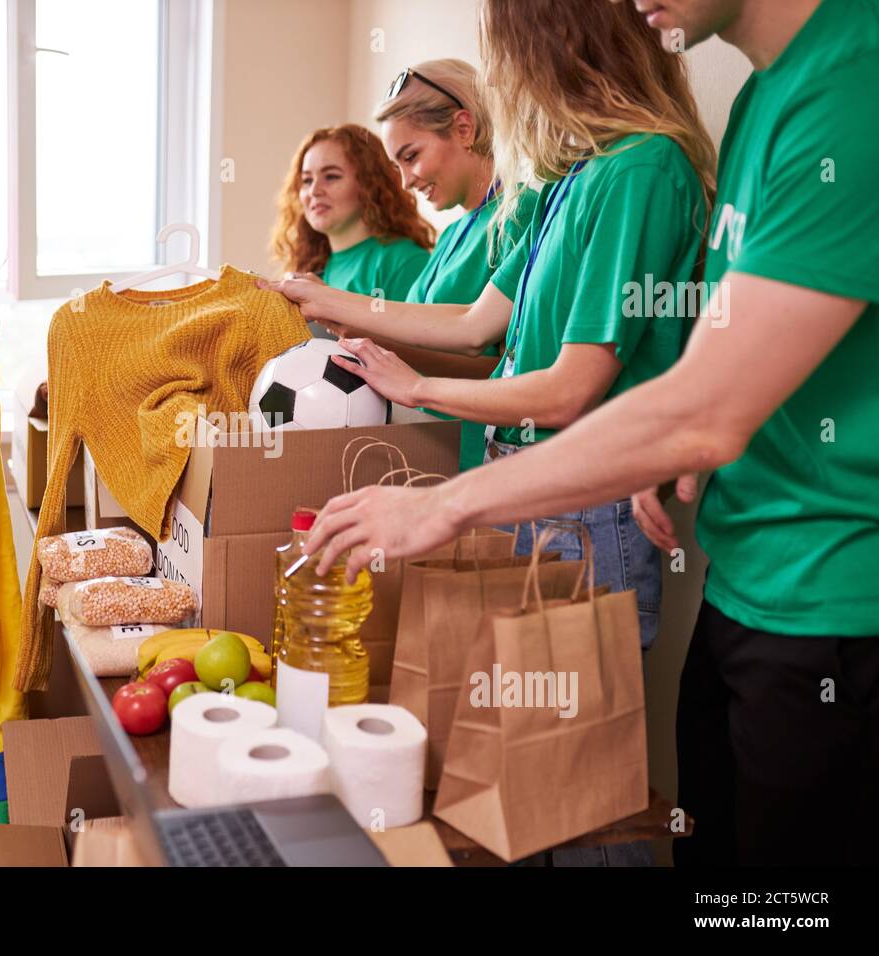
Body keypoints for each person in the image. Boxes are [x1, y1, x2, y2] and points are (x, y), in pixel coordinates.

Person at [304, 0, 878, 867]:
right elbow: (720, 364)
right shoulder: (748, 105)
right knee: (603, 813)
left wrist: (443, 497)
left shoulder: (816, 96)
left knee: (596, 815)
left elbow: (620, 392)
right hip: (741, 577)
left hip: (819, 592)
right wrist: (675, 446)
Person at [264, 0, 716, 661]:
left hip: (581, 497)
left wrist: (419, 388)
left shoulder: (641, 168)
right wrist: (326, 301)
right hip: (520, 482)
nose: (503, 86)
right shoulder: (570, 180)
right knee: (519, 710)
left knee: (572, 714)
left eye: (508, 64)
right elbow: (477, 321)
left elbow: (569, 392)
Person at [353, 58, 540, 471]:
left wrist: (379, 346)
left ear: (464, 128)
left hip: (478, 461)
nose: (406, 181)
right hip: (426, 456)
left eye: (411, 156)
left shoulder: (520, 215)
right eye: (397, 166)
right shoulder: (452, 235)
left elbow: (504, 370)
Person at [269, 124, 433, 322]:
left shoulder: (404, 261)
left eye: (331, 177)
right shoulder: (311, 269)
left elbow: (417, 339)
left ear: (369, 184)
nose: (314, 191)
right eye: (307, 180)